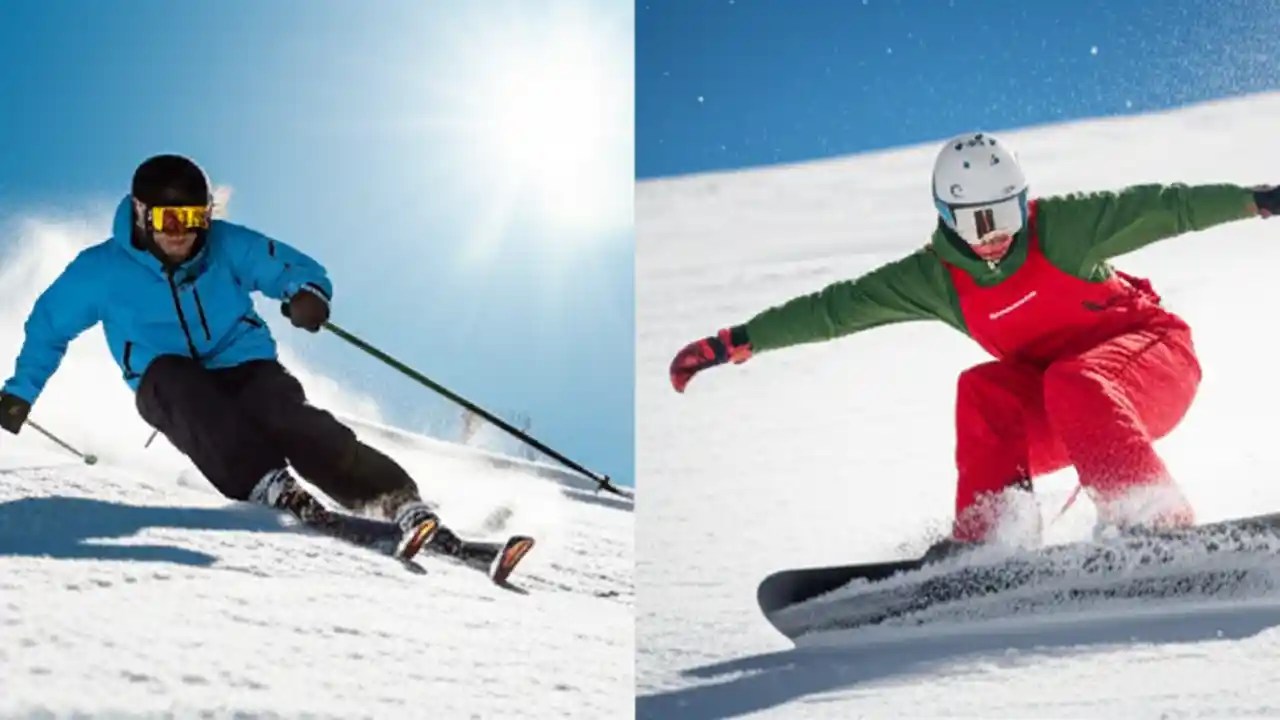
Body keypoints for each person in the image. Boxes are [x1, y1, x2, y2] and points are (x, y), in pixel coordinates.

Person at [670, 131, 1280, 557]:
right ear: (945, 219)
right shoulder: (935, 277)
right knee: (983, 390)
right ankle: (994, 538)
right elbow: (838, 309)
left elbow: (1165, 208)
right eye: (971, 222)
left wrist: (1257, 201)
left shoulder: (1062, 228)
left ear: (1023, 203)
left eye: (1003, 215)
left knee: (1072, 378)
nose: (990, 237)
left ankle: (1154, 521)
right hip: (1072, 406)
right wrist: (738, 342)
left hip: (1153, 361)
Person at [0, 154, 532, 580]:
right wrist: (21, 390)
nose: (182, 232)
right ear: (141, 214)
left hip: (245, 365)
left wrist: (306, 294)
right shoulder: (100, 270)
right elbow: (48, 327)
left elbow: (295, 268)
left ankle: (400, 504)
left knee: (295, 422)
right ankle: (271, 486)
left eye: (193, 218)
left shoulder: (226, 245)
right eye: (168, 219)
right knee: (176, 382)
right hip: (171, 385)